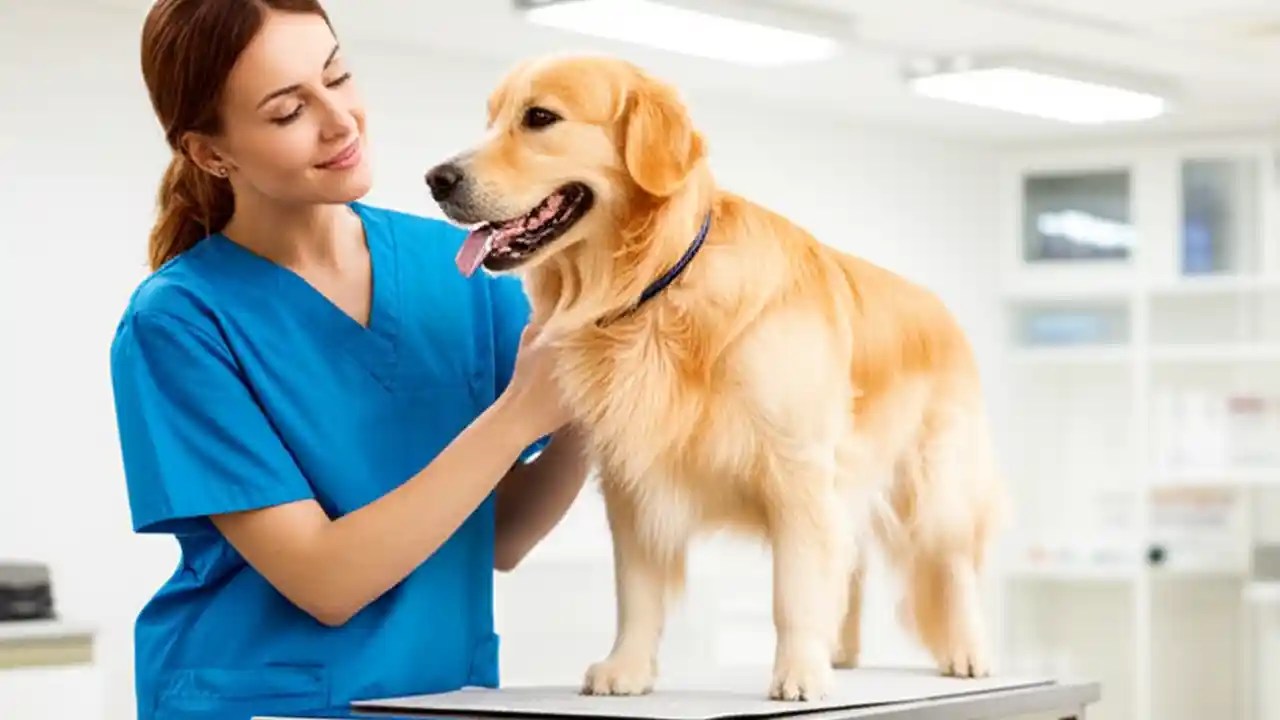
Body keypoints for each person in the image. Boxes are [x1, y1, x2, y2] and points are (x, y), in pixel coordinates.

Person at [109, 2, 590, 719]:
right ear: (213, 153)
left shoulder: (461, 268)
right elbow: (325, 581)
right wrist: (522, 412)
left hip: (438, 696)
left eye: (338, 76)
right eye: (286, 111)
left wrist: (592, 383)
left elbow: (503, 537)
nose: (340, 121)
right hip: (256, 702)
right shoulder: (180, 323)